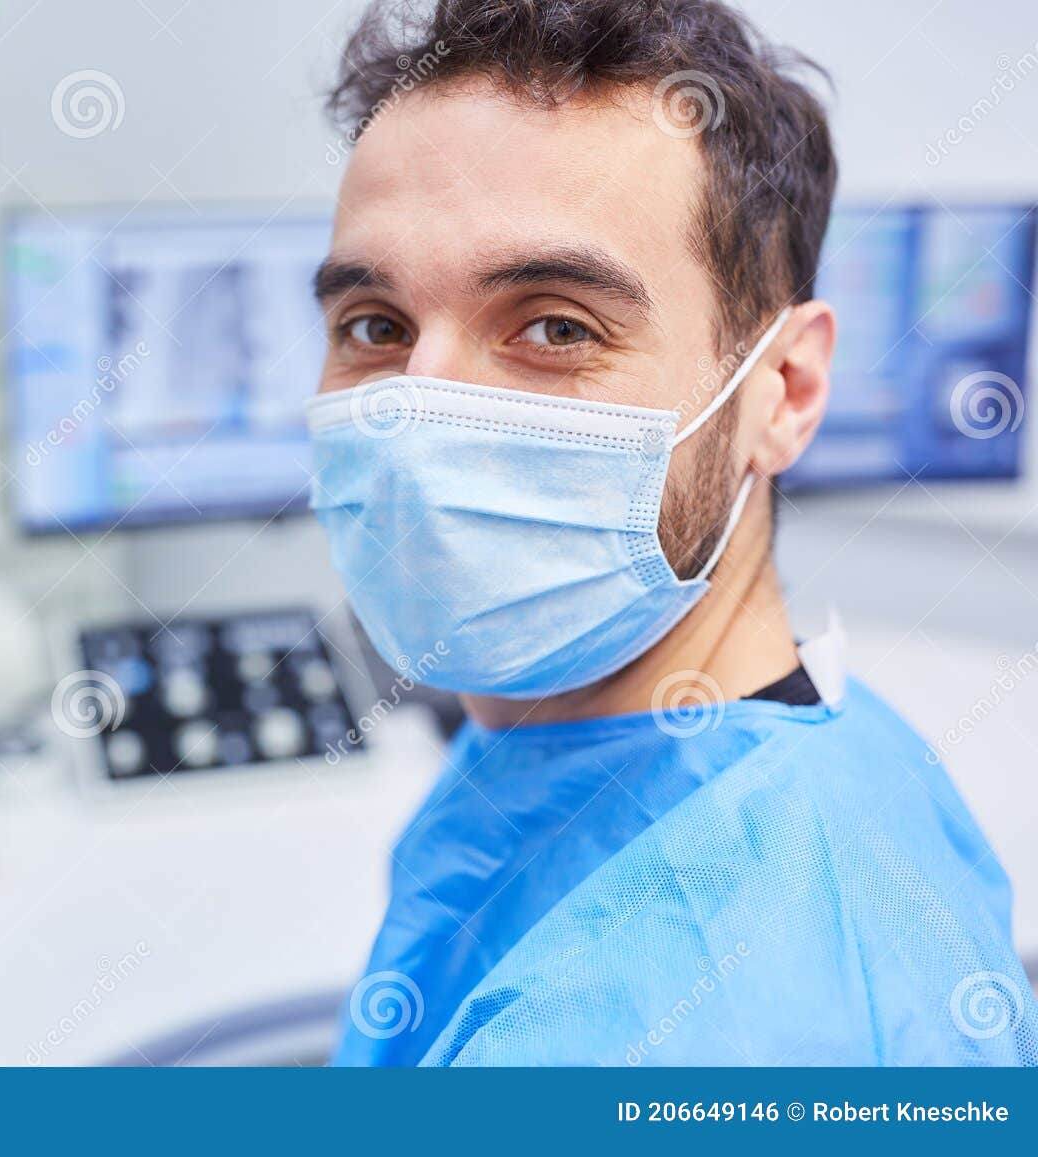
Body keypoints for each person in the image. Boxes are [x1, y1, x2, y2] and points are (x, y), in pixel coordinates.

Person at [308, 0, 1034, 1066]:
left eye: (556, 326)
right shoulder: (675, 740)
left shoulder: (711, 1034)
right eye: (374, 325)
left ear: (782, 389)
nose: (421, 412)